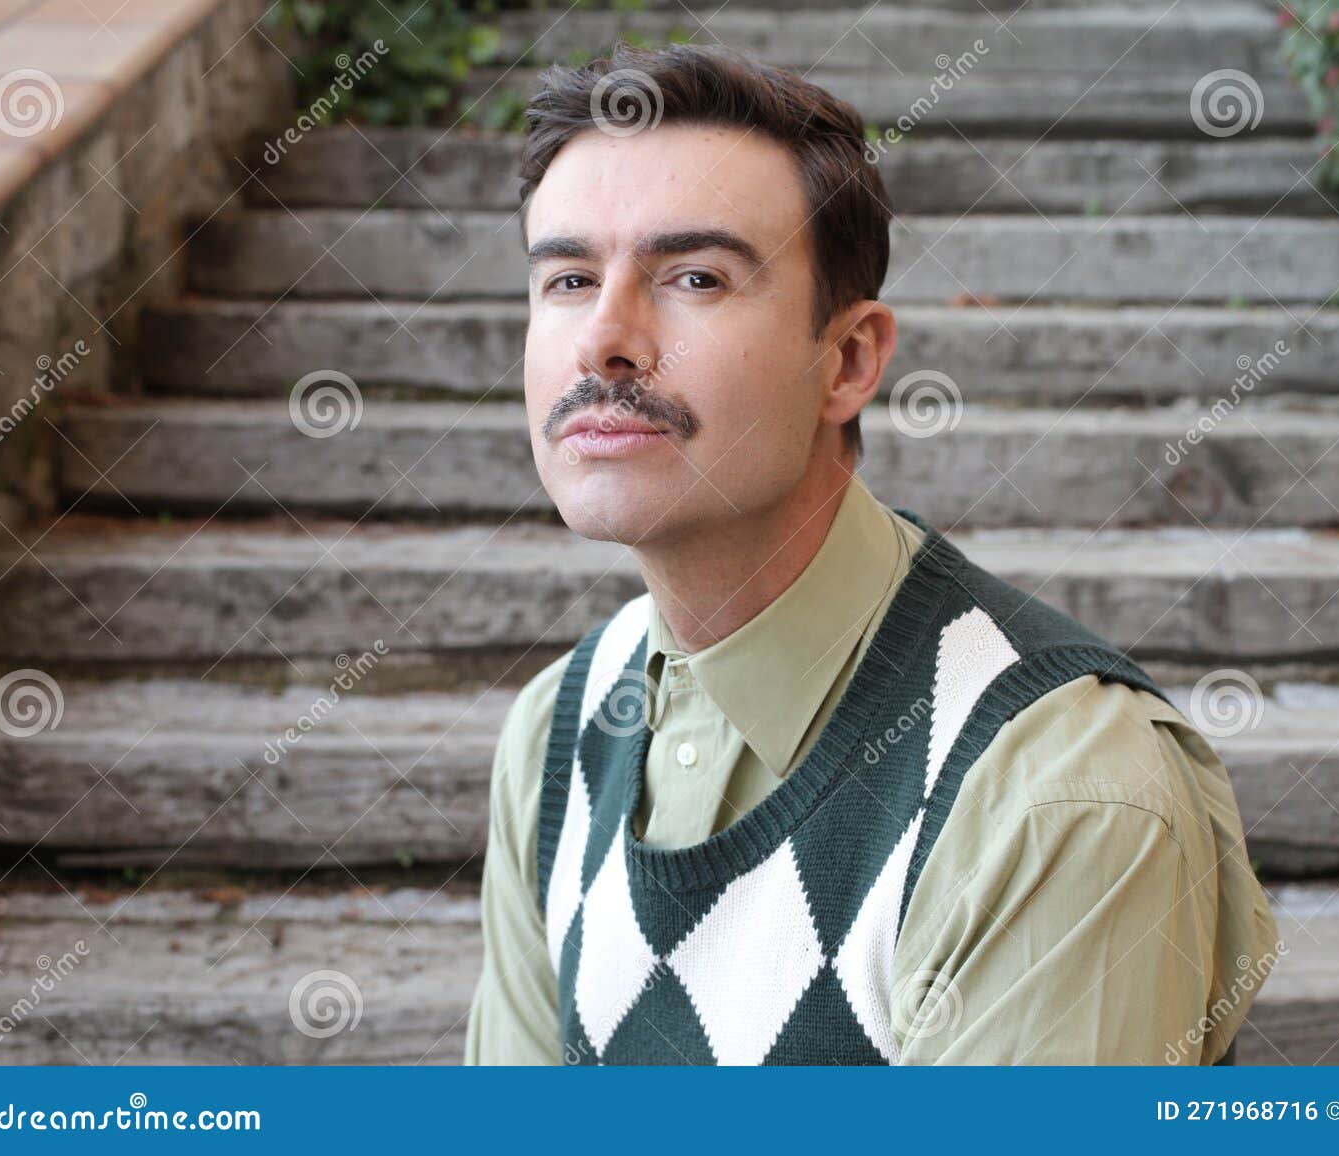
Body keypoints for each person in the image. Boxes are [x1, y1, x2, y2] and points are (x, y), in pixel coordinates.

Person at [464, 42, 1279, 1066]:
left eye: (695, 276)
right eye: (569, 278)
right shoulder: (554, 731)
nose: (603, 340)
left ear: (848, 360)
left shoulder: (1057, 792)